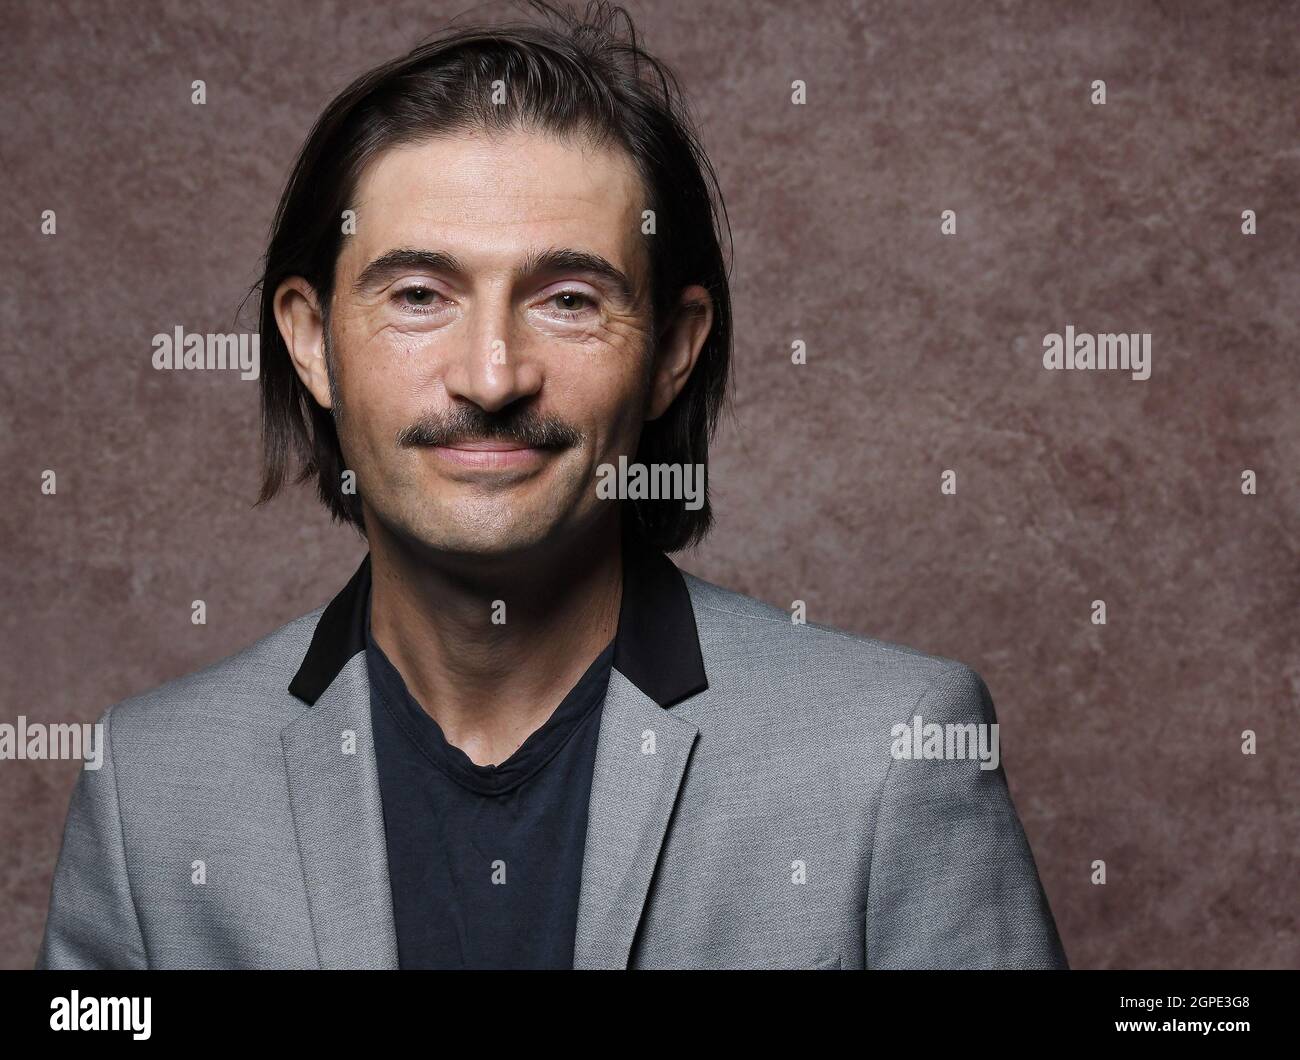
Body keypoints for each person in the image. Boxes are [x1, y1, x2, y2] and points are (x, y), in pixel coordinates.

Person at [37, 1, 1067, 970]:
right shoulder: (154, 788)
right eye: (418, 294)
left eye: (569, 298)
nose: (492, 375)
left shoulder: (893, 750)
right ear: (310, 340)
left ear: (671, 350)